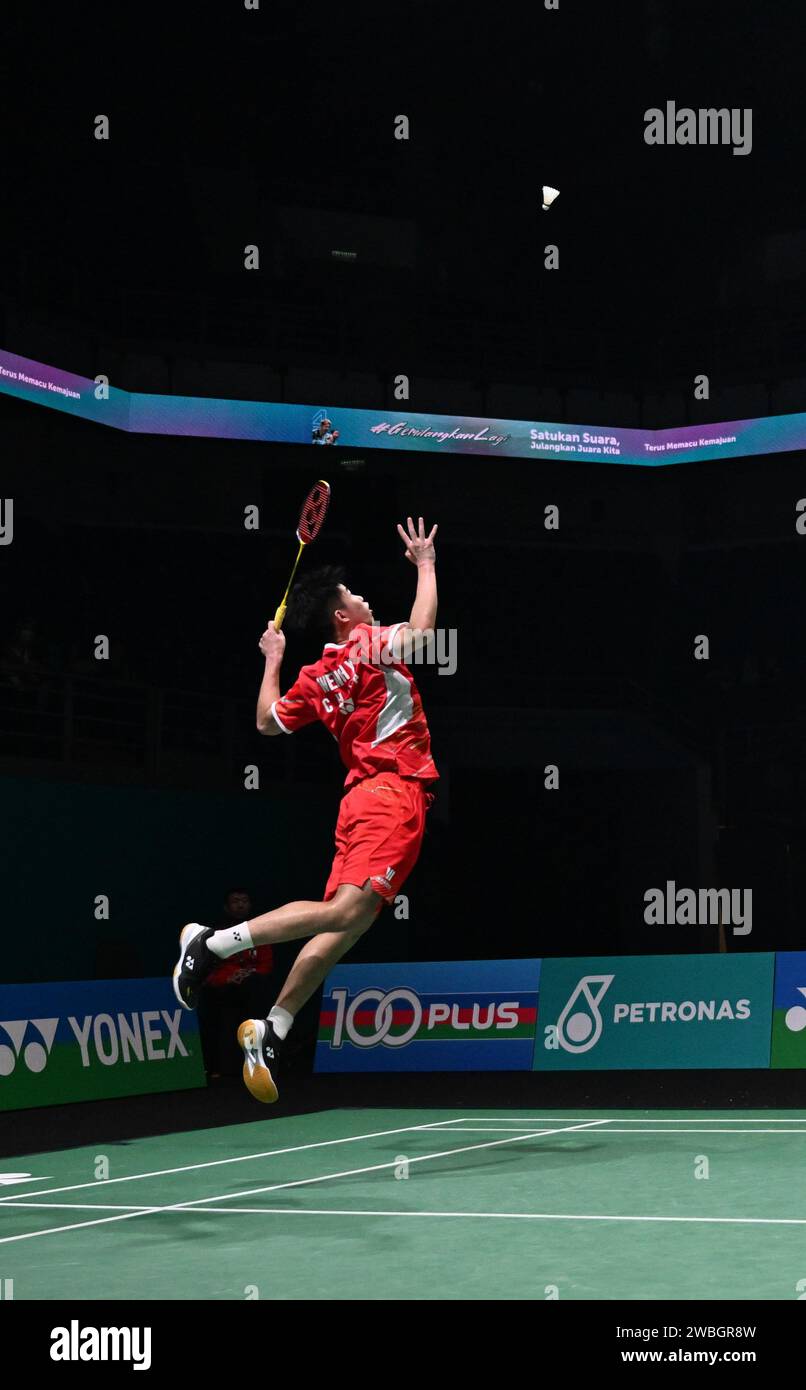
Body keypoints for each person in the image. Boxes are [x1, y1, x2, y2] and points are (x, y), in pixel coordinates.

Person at [173, 516, 438, 1102]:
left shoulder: (316, 675)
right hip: (392, 794)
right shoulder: (368, 643)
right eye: (353, 595)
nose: (363, 597)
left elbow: (267, 722)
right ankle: (214, 944)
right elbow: (422, 631)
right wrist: (424, 563)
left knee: (343, 924)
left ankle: (272, 1029)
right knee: (344, 913)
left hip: (357, 802)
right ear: (344, 618)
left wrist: (274, 658)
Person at [197, 890, 275, 1079]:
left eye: (244, 901)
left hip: (251, 985)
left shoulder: (259, 931)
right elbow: (208, 970)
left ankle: (260, 1064)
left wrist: (250, 973)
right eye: (235, 901)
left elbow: (266, 963)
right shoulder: (216, 935)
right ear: (226, 907)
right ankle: (219, 1066)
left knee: (258, 989)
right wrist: (228, 978)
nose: (240, 905)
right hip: (224, 988)